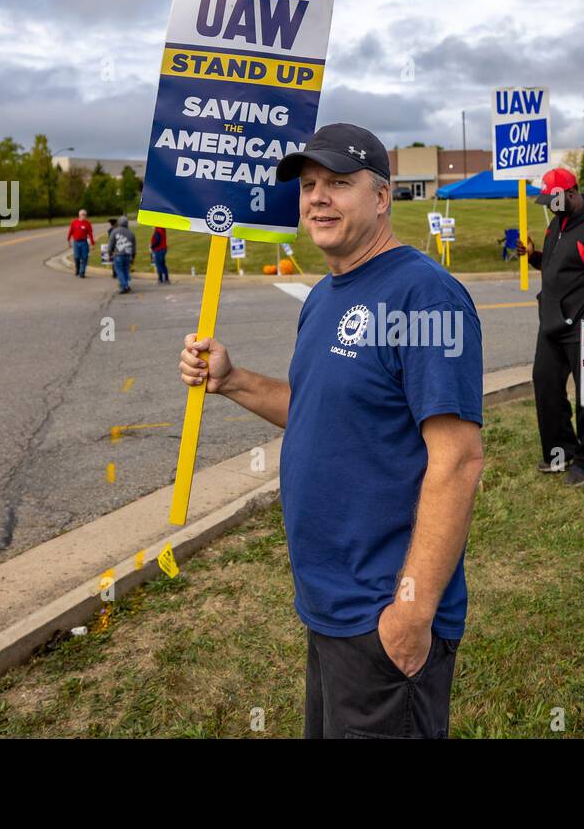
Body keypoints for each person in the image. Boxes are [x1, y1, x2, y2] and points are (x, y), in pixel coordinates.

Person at [178, 123, 484, 739]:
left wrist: (412, 610)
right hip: (331, 606)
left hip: (384, 612)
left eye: (338, 183)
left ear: (381, 197)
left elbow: (458, 460)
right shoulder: (325, 295)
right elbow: (320, 410)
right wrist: (233, 380)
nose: (318, 197)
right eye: (309, 184)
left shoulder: (425, 297)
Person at [515, 166, 584, 487]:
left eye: (556, 199)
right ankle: (559, 453)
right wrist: (534, 255)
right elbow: (555, 267)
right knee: (545, 383)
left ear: (573, 193)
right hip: (551, 321)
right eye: (548, 200)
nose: (551, 205)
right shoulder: (556, 226)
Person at [107, 215, 136, 294]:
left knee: (119, 271)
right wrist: (133, 257)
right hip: (128, 255)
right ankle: (126, 285)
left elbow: (111, 244)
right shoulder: (131, 233)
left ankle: (125, 286)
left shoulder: (115, 231)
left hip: (118, 255)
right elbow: (134, 247)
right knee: (126, 270)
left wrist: (109, 253)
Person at [67, 209, 93, 277]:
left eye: (85, 215)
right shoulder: (74, 222)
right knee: (76, 257)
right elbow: (70, 232)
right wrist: (68, 240)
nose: (83, 216)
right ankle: (77, 269)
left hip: (84, 242)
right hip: (76, 243)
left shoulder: (88, 223)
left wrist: (92, 243)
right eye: (82, 215)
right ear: (79, 215)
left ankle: (82, 272)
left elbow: (90, 234)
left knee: (84, 257)